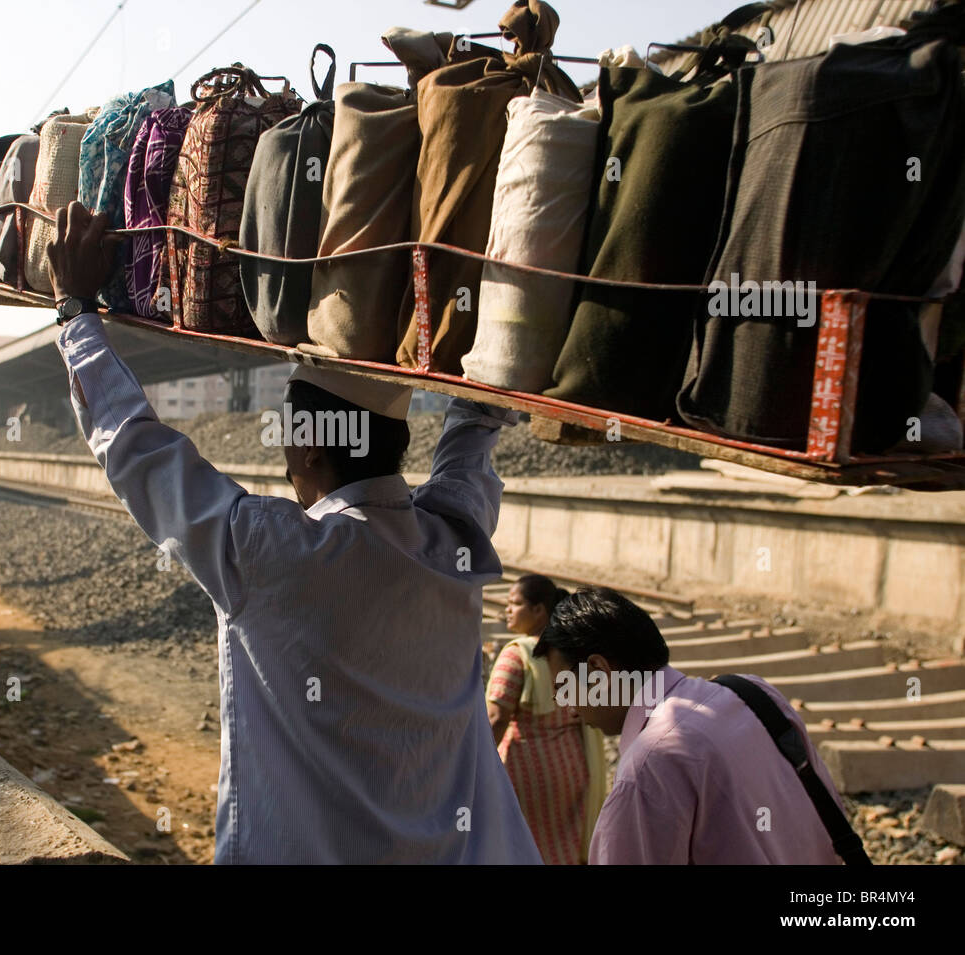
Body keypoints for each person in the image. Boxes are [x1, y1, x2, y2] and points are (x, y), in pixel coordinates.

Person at [48, 202, 540, 864]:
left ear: (310, 448)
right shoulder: (453, 543)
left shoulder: (271, 552)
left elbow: (139, 453)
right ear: (393, 442)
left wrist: (76, 313)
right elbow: (469, 439)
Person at [533, 586, 847, 864]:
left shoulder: (647, 769)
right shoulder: (755, 694)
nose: (568, 708)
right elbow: (829, 818)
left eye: (564, 689)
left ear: (598, 672)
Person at [486, 574, 606, 864]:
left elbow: (496, 717)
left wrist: (479, 768)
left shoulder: (517, 655)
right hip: (573, 768)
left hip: (526, 775)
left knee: (521, 849)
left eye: (515, 604)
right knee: (561, 849)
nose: (508, 610)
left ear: (539, 610)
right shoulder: (571, 653)